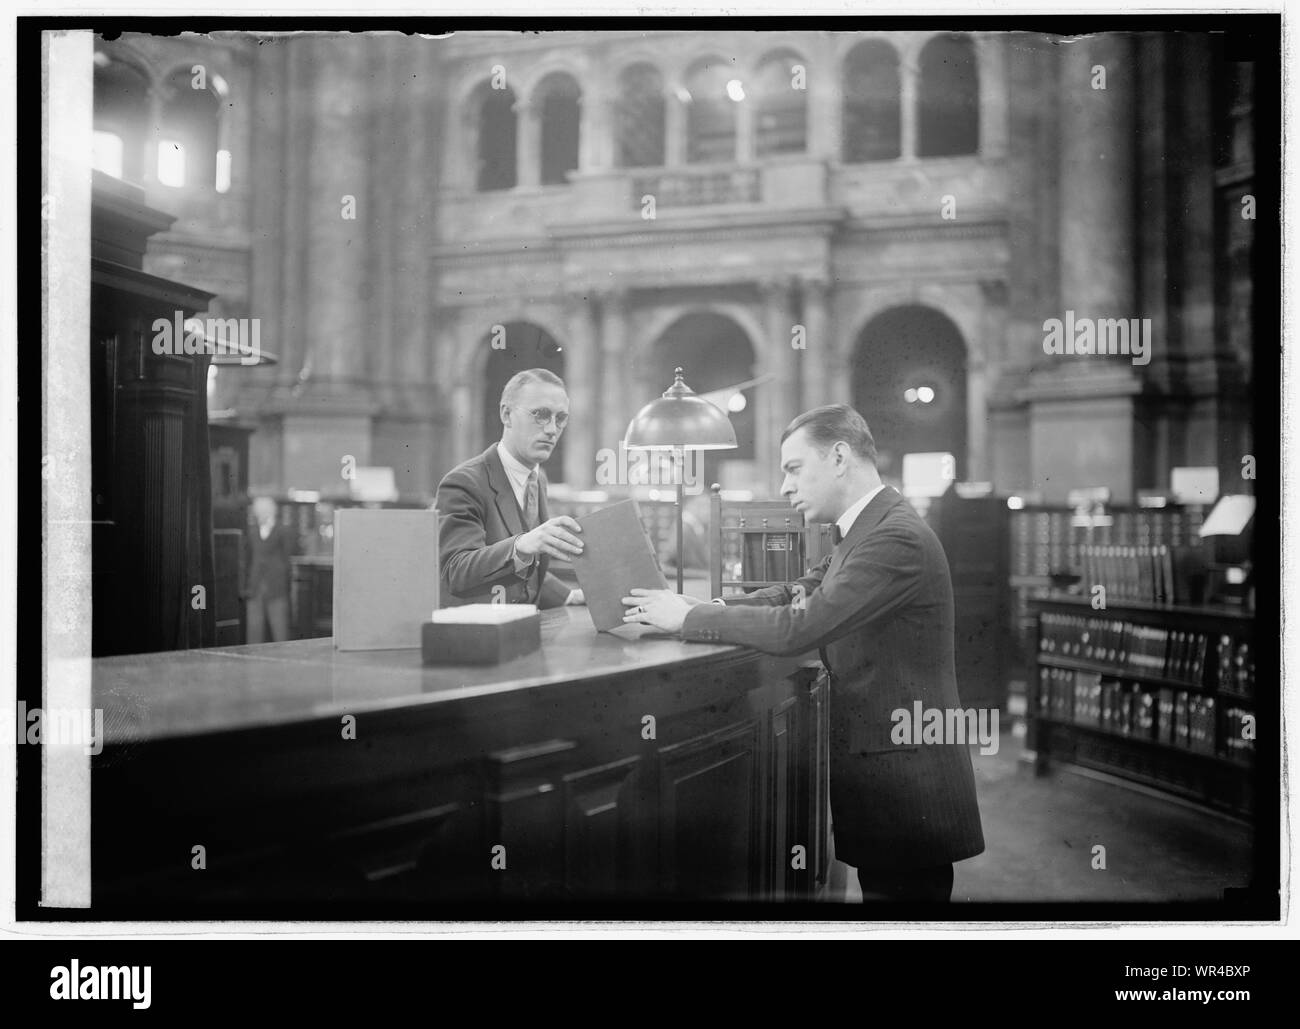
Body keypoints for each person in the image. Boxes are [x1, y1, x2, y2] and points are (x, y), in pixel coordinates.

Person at [622, 404, 985, 902]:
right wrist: (703, 604)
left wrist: (689, 620)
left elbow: (801, 626)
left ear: (839, 457)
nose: (786, 486)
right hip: (893, 783)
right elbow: (796, 590)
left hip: (907, 791)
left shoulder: (894, 537)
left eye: (794, 468)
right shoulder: (864, 531)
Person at [436, 368, 585, 608]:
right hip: (478, 634)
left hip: (523, 628)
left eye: (560, 418)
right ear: (506, 415)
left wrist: (567, 595)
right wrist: (522, 544)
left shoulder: (538, 478)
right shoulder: (464, 482)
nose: (551, 429)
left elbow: (527, 570)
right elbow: (456, 570)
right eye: (540, 414)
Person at [242, 495, 297, 643]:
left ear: (270, 512)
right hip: (255, 588)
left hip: (276, 587)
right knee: (253, 632)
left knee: (280, 631)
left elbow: (287, 558)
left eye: (261, 512)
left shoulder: (282, 530)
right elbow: (248, 558)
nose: (258, 515)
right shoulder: (252, 531)